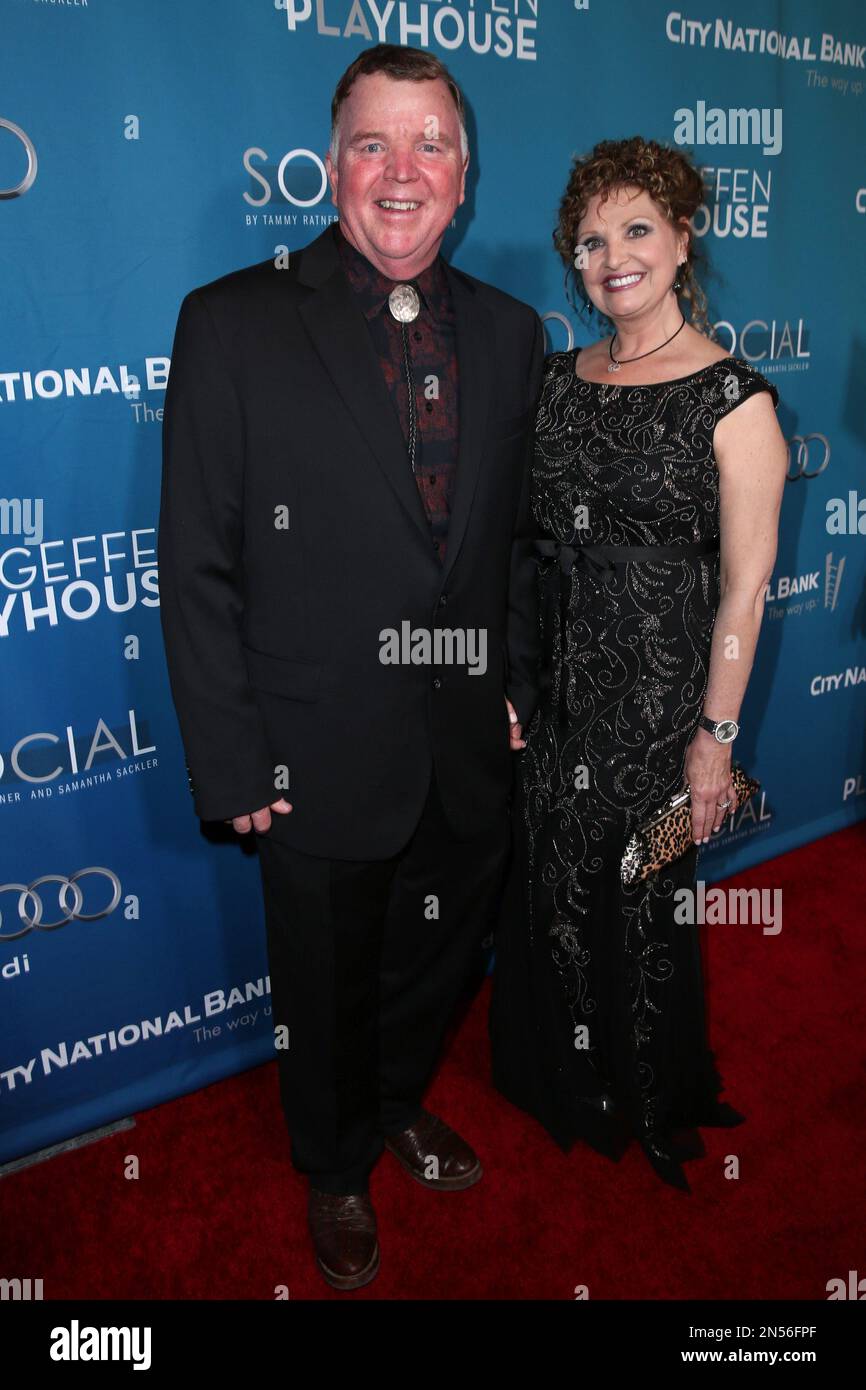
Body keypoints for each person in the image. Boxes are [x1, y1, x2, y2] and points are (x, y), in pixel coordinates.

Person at [158, 43, 543, 1289]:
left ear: (463, 175)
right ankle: (332, 1165)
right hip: (309, 745)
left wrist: (517, 687)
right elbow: (199, 565)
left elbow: (518, 545)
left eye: (428, 143)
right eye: (372, 143)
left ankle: (390, 1104)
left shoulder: (511, 333)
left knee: (432, 961)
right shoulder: (231, 321)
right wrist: (229, 754)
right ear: (329, 169)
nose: (400, 170)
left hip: (464, 741)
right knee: (321, 980)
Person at [489, 136, 787, 1192]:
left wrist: (715, 740)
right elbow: (524, 549)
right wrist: (517, 687)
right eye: (587, 242)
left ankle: (647, 1086)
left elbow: (745, 591)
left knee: (644, 890)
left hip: (664, 710)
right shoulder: (559, 383)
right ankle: (561, 1075)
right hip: (562, 693)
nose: (608, 258)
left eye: (633, 231)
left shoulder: (735, 401)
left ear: (680, 237)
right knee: (555, 884)